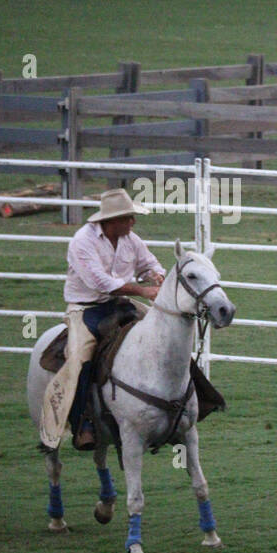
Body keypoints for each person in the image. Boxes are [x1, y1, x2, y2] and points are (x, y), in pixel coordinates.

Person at [39, 189, 164, 451]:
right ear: (112, 220)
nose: (133, 222)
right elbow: (101, 283)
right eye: (129, 217)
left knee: (163, 331)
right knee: (79, 358)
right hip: (85, 309)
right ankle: (82, 423)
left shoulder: (130, 238)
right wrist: (142, 290)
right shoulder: (82, 242)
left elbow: (148, 262)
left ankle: (181, 402)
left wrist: (156, 275)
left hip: (118, 304)